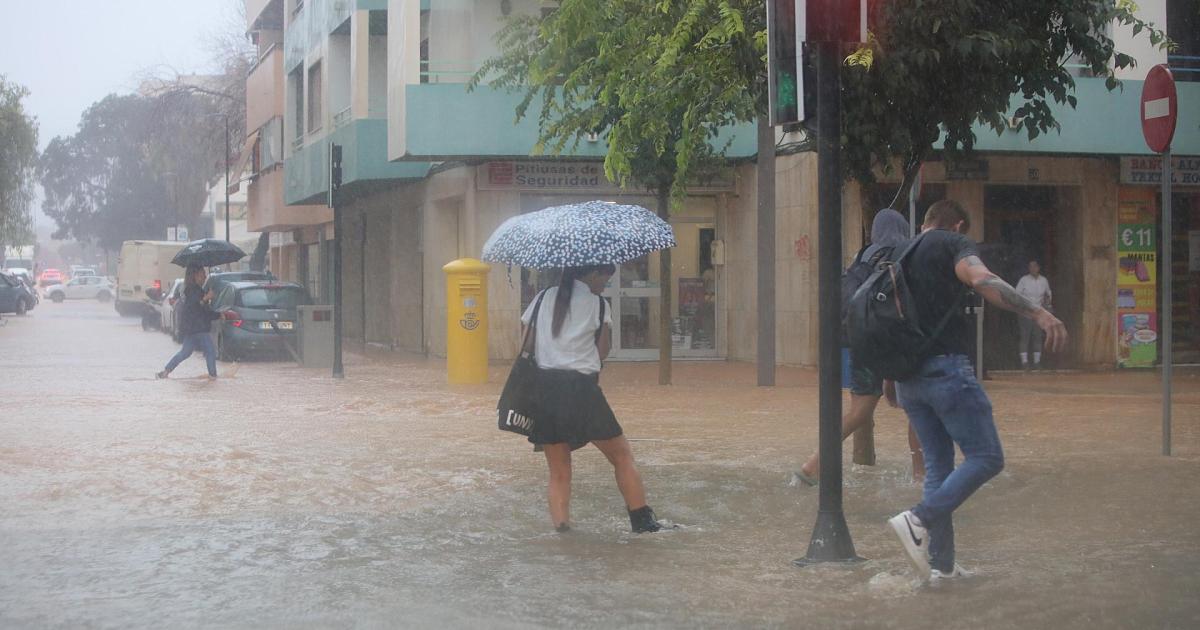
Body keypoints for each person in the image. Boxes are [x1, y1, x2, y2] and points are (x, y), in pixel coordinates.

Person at [887, 200, 1066, 581]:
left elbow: (889, 316)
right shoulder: (952, 244)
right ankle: (919, 518)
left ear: (925, 222)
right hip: (946, 371)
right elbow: (982, 280)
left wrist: (889, 376)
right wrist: (1037, 312)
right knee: (987, 457)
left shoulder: (898, 253)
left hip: (908, 379)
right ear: (958, 225)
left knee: (938, 467)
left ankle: (941, 566)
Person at [520, 264, 667, 534]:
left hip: (546, 391)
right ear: (590, 274)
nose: (604, 284)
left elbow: (526, 345)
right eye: (604, 278)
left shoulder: (541, 298)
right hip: (582, 390)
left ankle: (563, 533)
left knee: (559, 470)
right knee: (622, 457)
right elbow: (602, 353)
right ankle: (643, 524)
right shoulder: (597, 305)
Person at [795, 209, 924, 485]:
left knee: (858, 412)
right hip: (897, 341)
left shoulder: (862, 257)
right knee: (917, 408)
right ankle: (920, 475)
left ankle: (810, 466)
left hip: (861, 340)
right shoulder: (907, 253)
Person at [157, 263, 220, 380]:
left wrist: (218, 314)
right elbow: (195, 306)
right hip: (198, 328)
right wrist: (206, 298)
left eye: (205, 274)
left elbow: (205, 311)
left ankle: (165, 371)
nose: (205, 277)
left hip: (191, 329)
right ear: (195, 276)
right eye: (202, 275)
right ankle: (213, 377)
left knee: (185, 353)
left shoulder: (197, 291)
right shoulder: (191, 290)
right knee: (210, 351)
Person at [1015, 260, 1053, 371]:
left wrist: (1047, 306)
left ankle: (1037, 363)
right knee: (1025, 336)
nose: (1033, 269)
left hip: (1039, 312)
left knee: (1037, 336)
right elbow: (1016, 294)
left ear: (1038, 268)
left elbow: (1048, 294)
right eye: (1030, 267)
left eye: (1035, 266)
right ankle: (1025, 363)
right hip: (1026, 312)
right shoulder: (1024, 280)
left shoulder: (1043, 280)